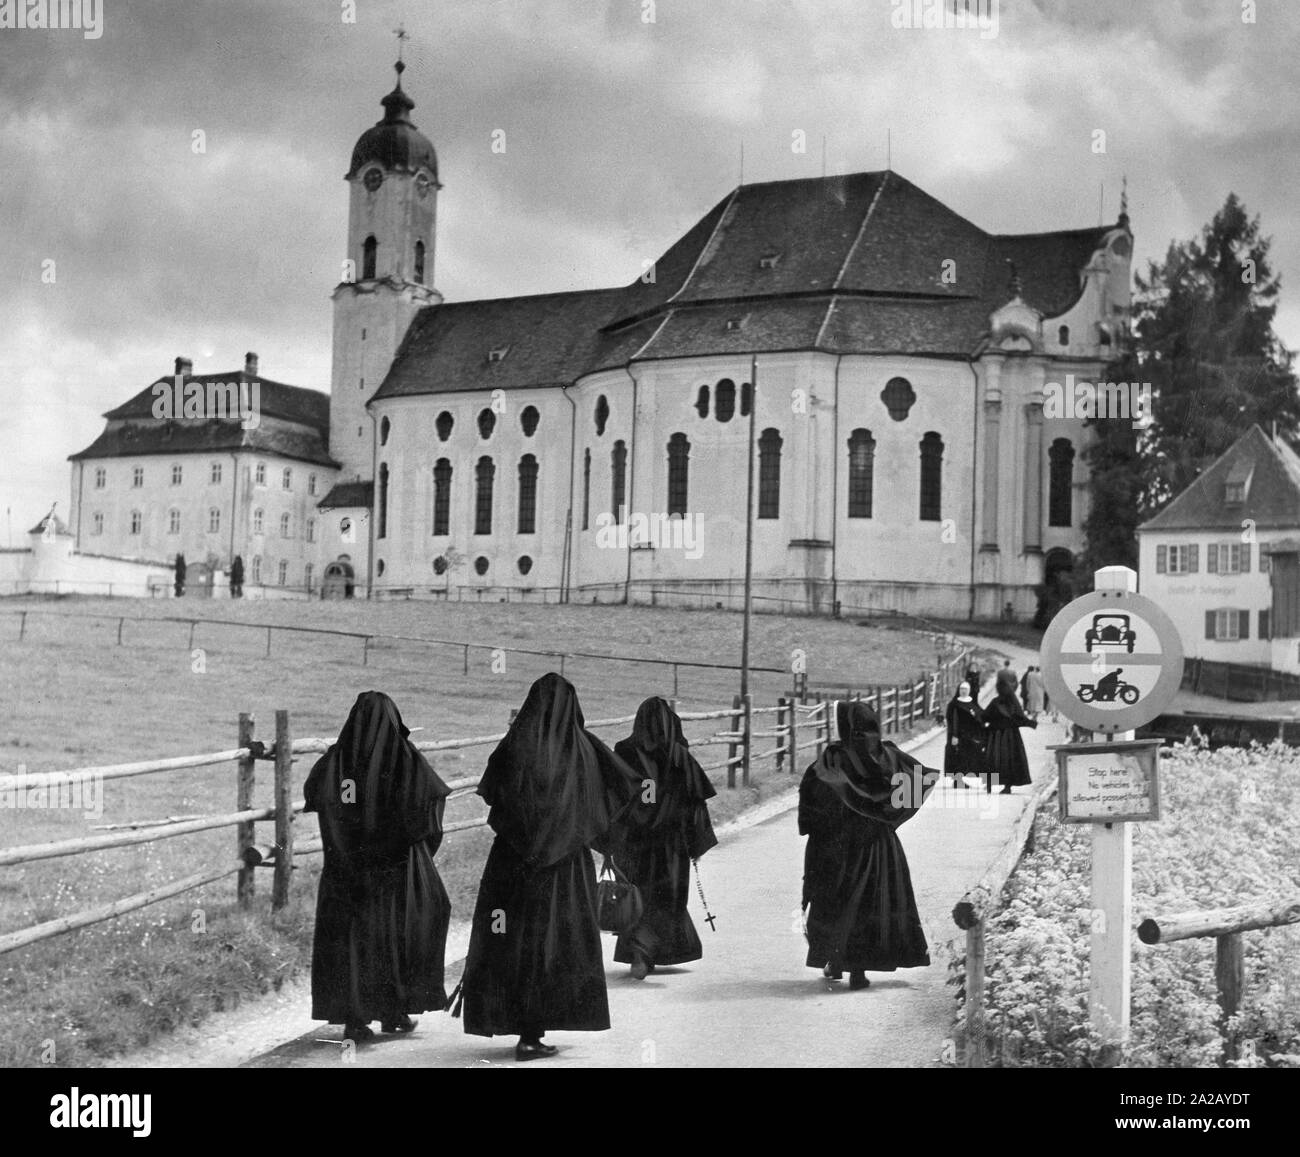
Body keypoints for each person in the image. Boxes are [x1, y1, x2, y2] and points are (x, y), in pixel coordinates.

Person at [454, 673, 641, 1061]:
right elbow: (620, 792)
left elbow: (495, 801)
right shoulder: (584, 750)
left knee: (513, 941)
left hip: (511, 868)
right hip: (564, 871)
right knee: (556, 943)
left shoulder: (513, 748)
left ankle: (520, 1027)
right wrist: (603, 843)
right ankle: (534, 1032)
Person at [303, 691, 453, 1043]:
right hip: (396, 871)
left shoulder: (334, 762)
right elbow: (430, 810)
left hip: (345, 872)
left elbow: (318, 800)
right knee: (397, 935)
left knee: (352, 942)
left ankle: (355, 1020)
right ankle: (394, 1011)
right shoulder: (406, 760)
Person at [798, 700, 938, 991]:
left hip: (839, 844)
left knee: (838, 902)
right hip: (878, 844)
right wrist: (890, 816)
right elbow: (920, 779)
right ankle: (858, 970)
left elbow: (814, 793)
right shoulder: (890, 756)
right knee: (872, 905)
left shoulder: (834, 757)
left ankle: (836, 961)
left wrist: (822, 827)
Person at [609, 697, 718, 979]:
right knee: (666, 898)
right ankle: (646, 951)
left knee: (635, 896)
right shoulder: (679, 756)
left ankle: (640, 950)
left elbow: (612, 799)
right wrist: (698, 844)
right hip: (672, 845)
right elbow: (697, 805)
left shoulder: (624, 751)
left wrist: (612, 841)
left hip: (634, 842)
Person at [983, 668, 1037, 794]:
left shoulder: (995, 702)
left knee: (993, 759)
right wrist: (1030, 723)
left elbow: (985, 716)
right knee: (1010, 760)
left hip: (995, 736)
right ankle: (1007, 785)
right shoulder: (1013, 703)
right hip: (1011, 736)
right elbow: (1020, 717)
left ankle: (990, 784)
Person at [944, 680, 985, 788]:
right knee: (956, 757)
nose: (963, 691)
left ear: (969, 690)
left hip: (969, 736)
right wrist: (954, 735)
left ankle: (961, 779)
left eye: (965, 689)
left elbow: (981, 716)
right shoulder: (954, 704)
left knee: (967, 758)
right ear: (959, 690)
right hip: (957, 735)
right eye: (961, 689)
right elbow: (952, 720)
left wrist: (975, 715)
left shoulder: (973, 703)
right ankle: (957, 780)